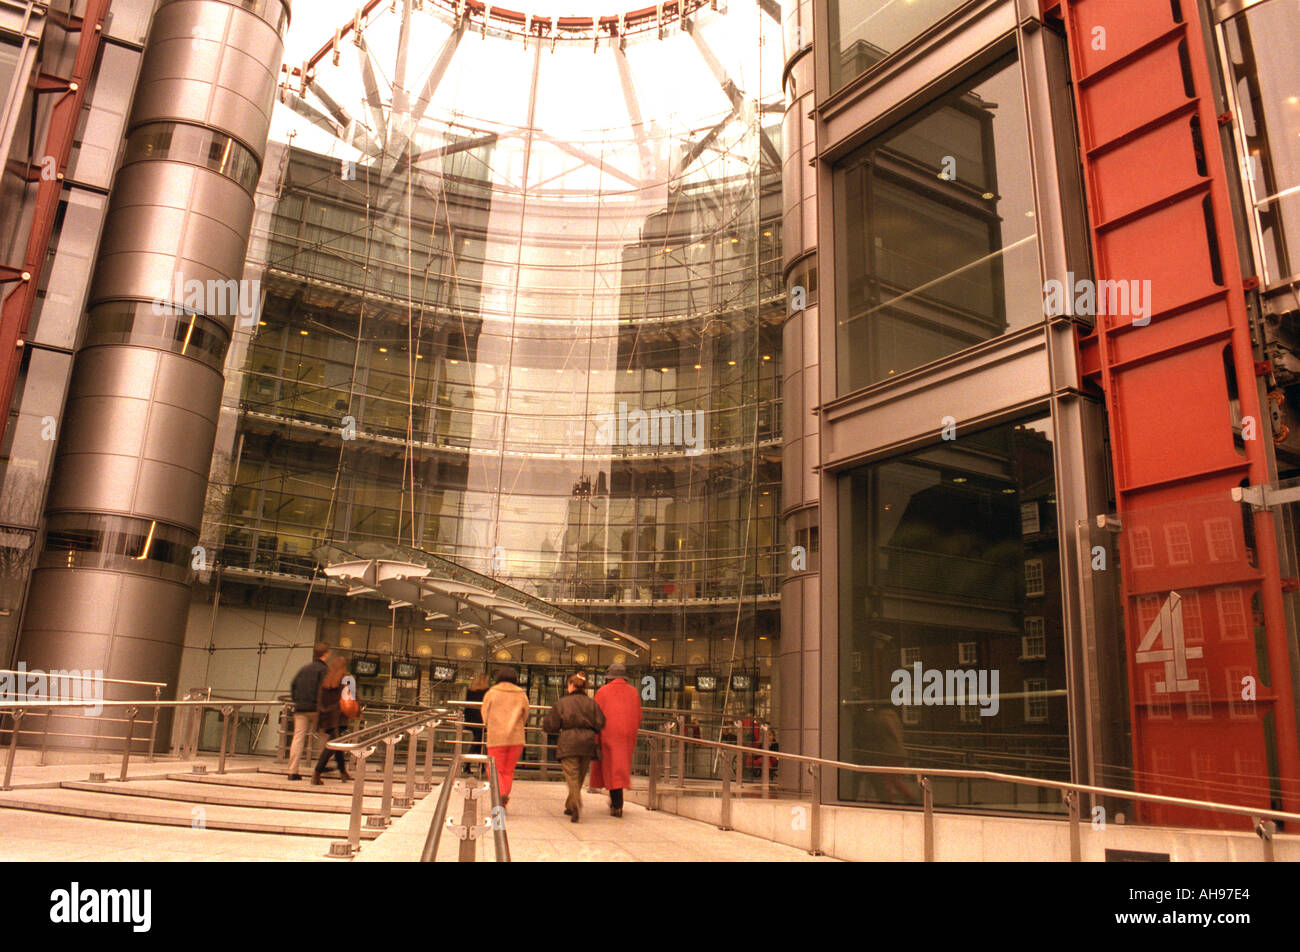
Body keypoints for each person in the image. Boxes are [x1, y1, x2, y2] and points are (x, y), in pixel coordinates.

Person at [542, 672, 605, 823]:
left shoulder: (562, 703)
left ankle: (576, 802)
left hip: (568, 742)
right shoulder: (592, 704)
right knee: (580, 776)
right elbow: (600, 723)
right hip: (587, 743)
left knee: (572, 776)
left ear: (571, 685)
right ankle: (570, 805)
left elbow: (551, 724)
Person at [591, 663, 641, 817]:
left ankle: (617, 804)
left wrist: (596, 736)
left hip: (608, 733)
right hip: (626, 736)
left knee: (611, 769)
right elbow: (638, 716)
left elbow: (596, 715)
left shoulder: (603, 692)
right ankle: (616, 803)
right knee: (619, 768)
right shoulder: (633, 692)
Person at [481, 666, 530, 807]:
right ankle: (503, 797)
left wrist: (489, 724)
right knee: (508, 770)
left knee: (494, 769)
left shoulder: (491, 693)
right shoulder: (521, 694)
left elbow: (484, 714)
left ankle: (500, 793)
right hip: (516, 738)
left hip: (496, 738)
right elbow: (526, 714)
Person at [287, 642, 330, 780]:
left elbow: (293, 686)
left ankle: (292, 771)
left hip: (300, 708)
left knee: (298, 738)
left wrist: (297, 701)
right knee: (325, 737)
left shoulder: (304, 669)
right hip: (317, 709)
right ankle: (320, 768)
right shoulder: (324, 670)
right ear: (326, 654)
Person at [312, 655, 354, 785]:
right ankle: (317, 773)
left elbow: (319, 700)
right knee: (331, 746)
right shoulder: (346, 679)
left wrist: (320, 717)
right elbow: (350, 699)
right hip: (339, 718)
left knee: (336, 745)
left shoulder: (325, 681)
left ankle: (343, 772)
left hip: (327, 718)